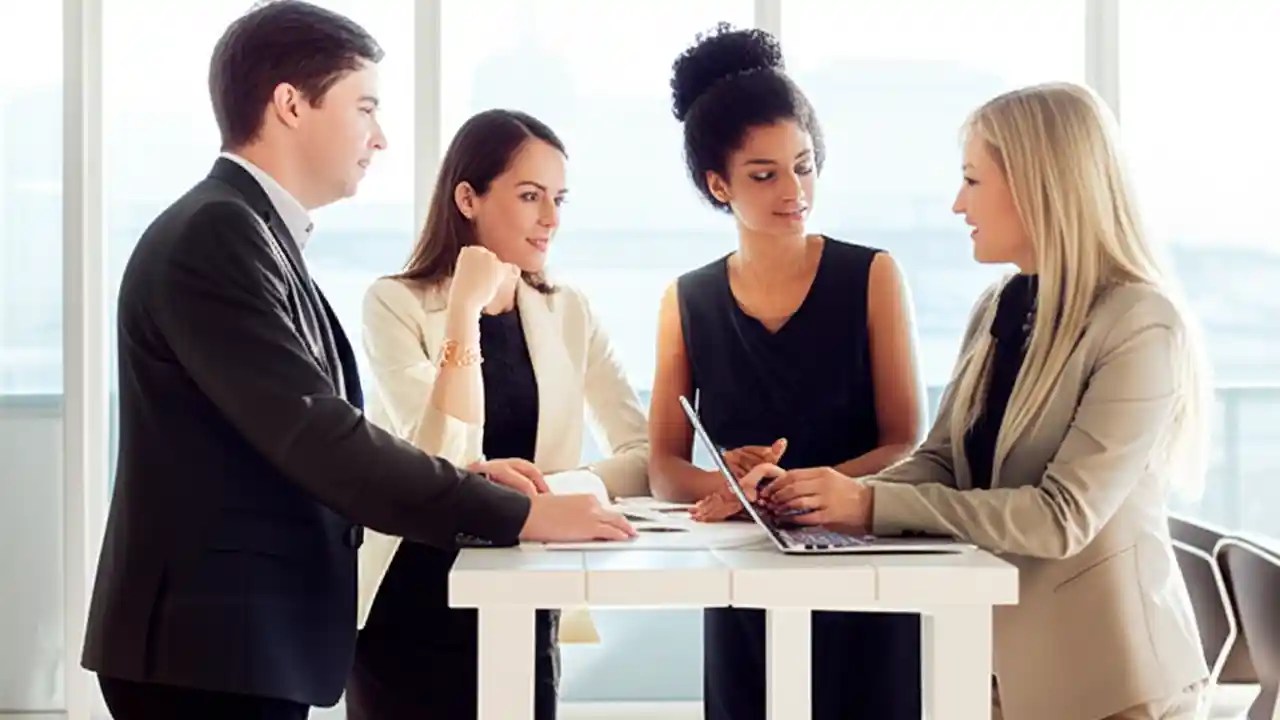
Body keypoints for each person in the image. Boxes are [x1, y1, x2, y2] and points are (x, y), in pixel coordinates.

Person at [80, 4, 632, 719]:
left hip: (237, 646)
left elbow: (301, 433)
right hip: (209, 648)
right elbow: (321, 439)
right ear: (290, 105)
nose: (380, 136)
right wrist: (521, 514)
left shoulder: (250, 231)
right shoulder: (218, 234)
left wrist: (471, 479)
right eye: (364, 107)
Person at [742, 82, 1212, 720]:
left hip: (1112, 686)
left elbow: (1061, 517)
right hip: (1001, 670)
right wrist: (826, 498)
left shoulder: (1139, 323)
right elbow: (942, 459)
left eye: (972, 180)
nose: (958, 203)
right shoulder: (999, 306)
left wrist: (870, 505)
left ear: (1038, 185)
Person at [647, 23, 927, 720]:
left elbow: (905, 443)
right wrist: (737, 491)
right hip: (746, 575)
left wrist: (812, 490)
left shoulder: (873, 275)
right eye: (764, 174)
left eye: (803, 165)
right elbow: (664, 467)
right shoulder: (687, 299)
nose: (793, 189)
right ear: (718, 185)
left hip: (863, 567)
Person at [349, 108, 650, 719]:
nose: (551, 218)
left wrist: (547, 495)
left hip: (524, 596)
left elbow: (642, 457)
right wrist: (464, 309)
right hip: (411, 601)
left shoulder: (569, 311)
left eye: (559, 199)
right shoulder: (395, 303)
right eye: (531, 196)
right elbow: (437, 462)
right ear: (468, 198)